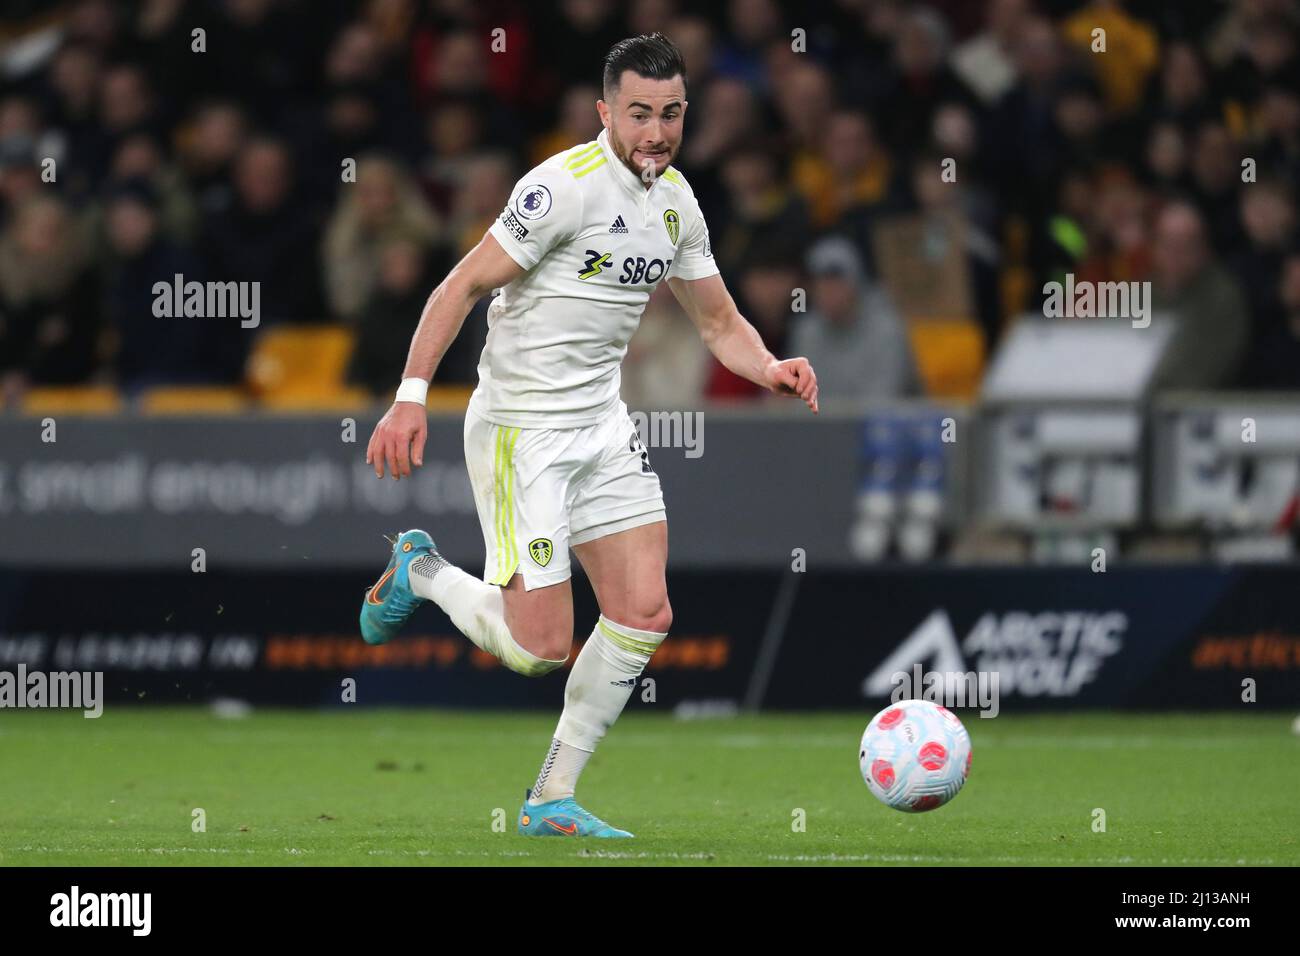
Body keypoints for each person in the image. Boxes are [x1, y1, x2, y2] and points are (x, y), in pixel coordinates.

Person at [358, 34, 818, 838]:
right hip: (523, 430)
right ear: (606, 112)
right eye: (639, 113)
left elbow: (718, 322)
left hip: (602, 425)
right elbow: (459, 286)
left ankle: (549, 798)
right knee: (539, 649)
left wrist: (769, 365)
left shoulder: (676, 205)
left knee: (645, 611)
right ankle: (420, 569)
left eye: (670, 114)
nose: (656, 133)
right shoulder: (560, 190)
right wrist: (409, 399)